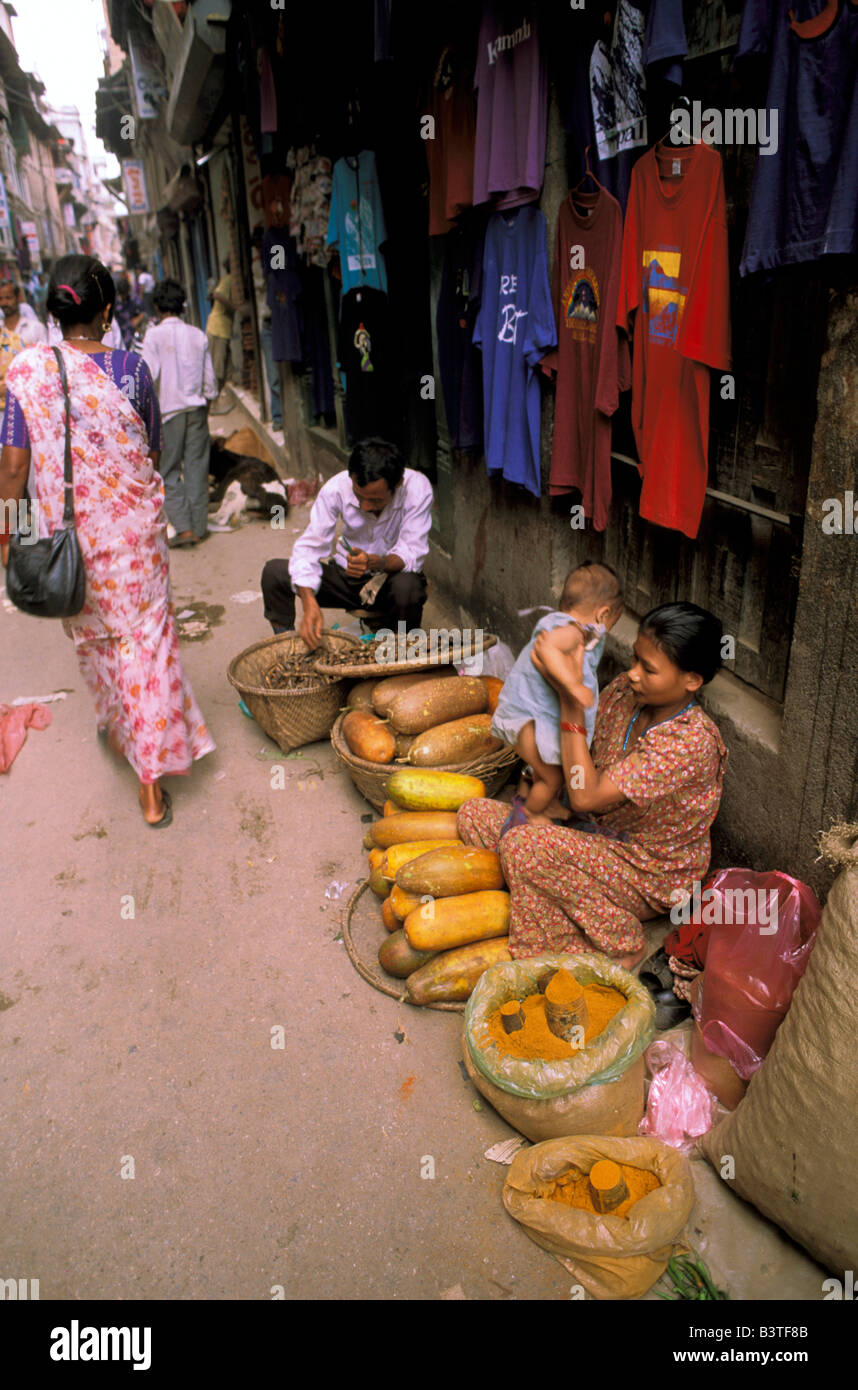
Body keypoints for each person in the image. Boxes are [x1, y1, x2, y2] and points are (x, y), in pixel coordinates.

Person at [0, 254, 215, 825]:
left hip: (68, 544)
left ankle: (122, 730)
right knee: (144, 646)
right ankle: (150, 784)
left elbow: (13, 471)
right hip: (134, 543)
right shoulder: (130, 369)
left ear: (52, 311)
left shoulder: (25, 372)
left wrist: (15, 540)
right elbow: (152, 452)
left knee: (96, 643)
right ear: (108, 311)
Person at [457, 602, 729, 968]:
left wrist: (571, 699)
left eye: (648, 669)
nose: (632, 674)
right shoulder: (623, 693)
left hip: (647, 867)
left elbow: (586, 794)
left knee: (524, 846)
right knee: (473, 815)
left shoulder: (689, 742)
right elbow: (577, 765)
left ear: (691, 680)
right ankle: (550, 896)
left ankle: (620, 941)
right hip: (594, 832)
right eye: (634, 660)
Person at [261, 437, 433, 648]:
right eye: (359, 497)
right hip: (345, 579)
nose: (367, 507)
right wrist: (309, 603)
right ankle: (285, 650)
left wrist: (374, 562)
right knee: (274, 573)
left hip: (388, 580)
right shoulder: (336, 489)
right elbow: (309, 549)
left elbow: (411, 553)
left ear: (397, 484)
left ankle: (403, 654)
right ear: (351, 479)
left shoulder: (417, 488)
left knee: (409, 586)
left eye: (376, 500)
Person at [492, 562, 624, 824]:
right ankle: (532, 813)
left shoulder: (558, 623)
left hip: (527, 716)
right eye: (612, 621)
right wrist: (574, 687)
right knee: (552, 778)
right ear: (603, 614)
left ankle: (544, 804)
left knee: (546, 770)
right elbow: (547, 649)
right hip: (524, 720)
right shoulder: (572, 631)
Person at [142, 278, 218, 548]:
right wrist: (205, 405)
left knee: (169, 470)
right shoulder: (198, 334)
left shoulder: (154, 335)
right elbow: (210, 382)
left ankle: (184, 528)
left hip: (169, 412)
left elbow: (148, 375)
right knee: (197, 468)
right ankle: (199, 525)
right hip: (196, 409)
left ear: (157, 306)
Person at [205, 256, 235, 398]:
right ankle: (213, 400)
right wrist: (235, 308)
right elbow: (217, 294)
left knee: (226, 368)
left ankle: (216, 398)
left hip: (222, 328)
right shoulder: (229, 279)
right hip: (218, 329)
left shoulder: (230, 280)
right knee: (218, 370)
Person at [113, 273, 145, 350]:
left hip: (131, 332)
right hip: (119, 332)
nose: (123, 296)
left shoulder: (134, 299)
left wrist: (137, 320)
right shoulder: (115, 303)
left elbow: (143, 312)